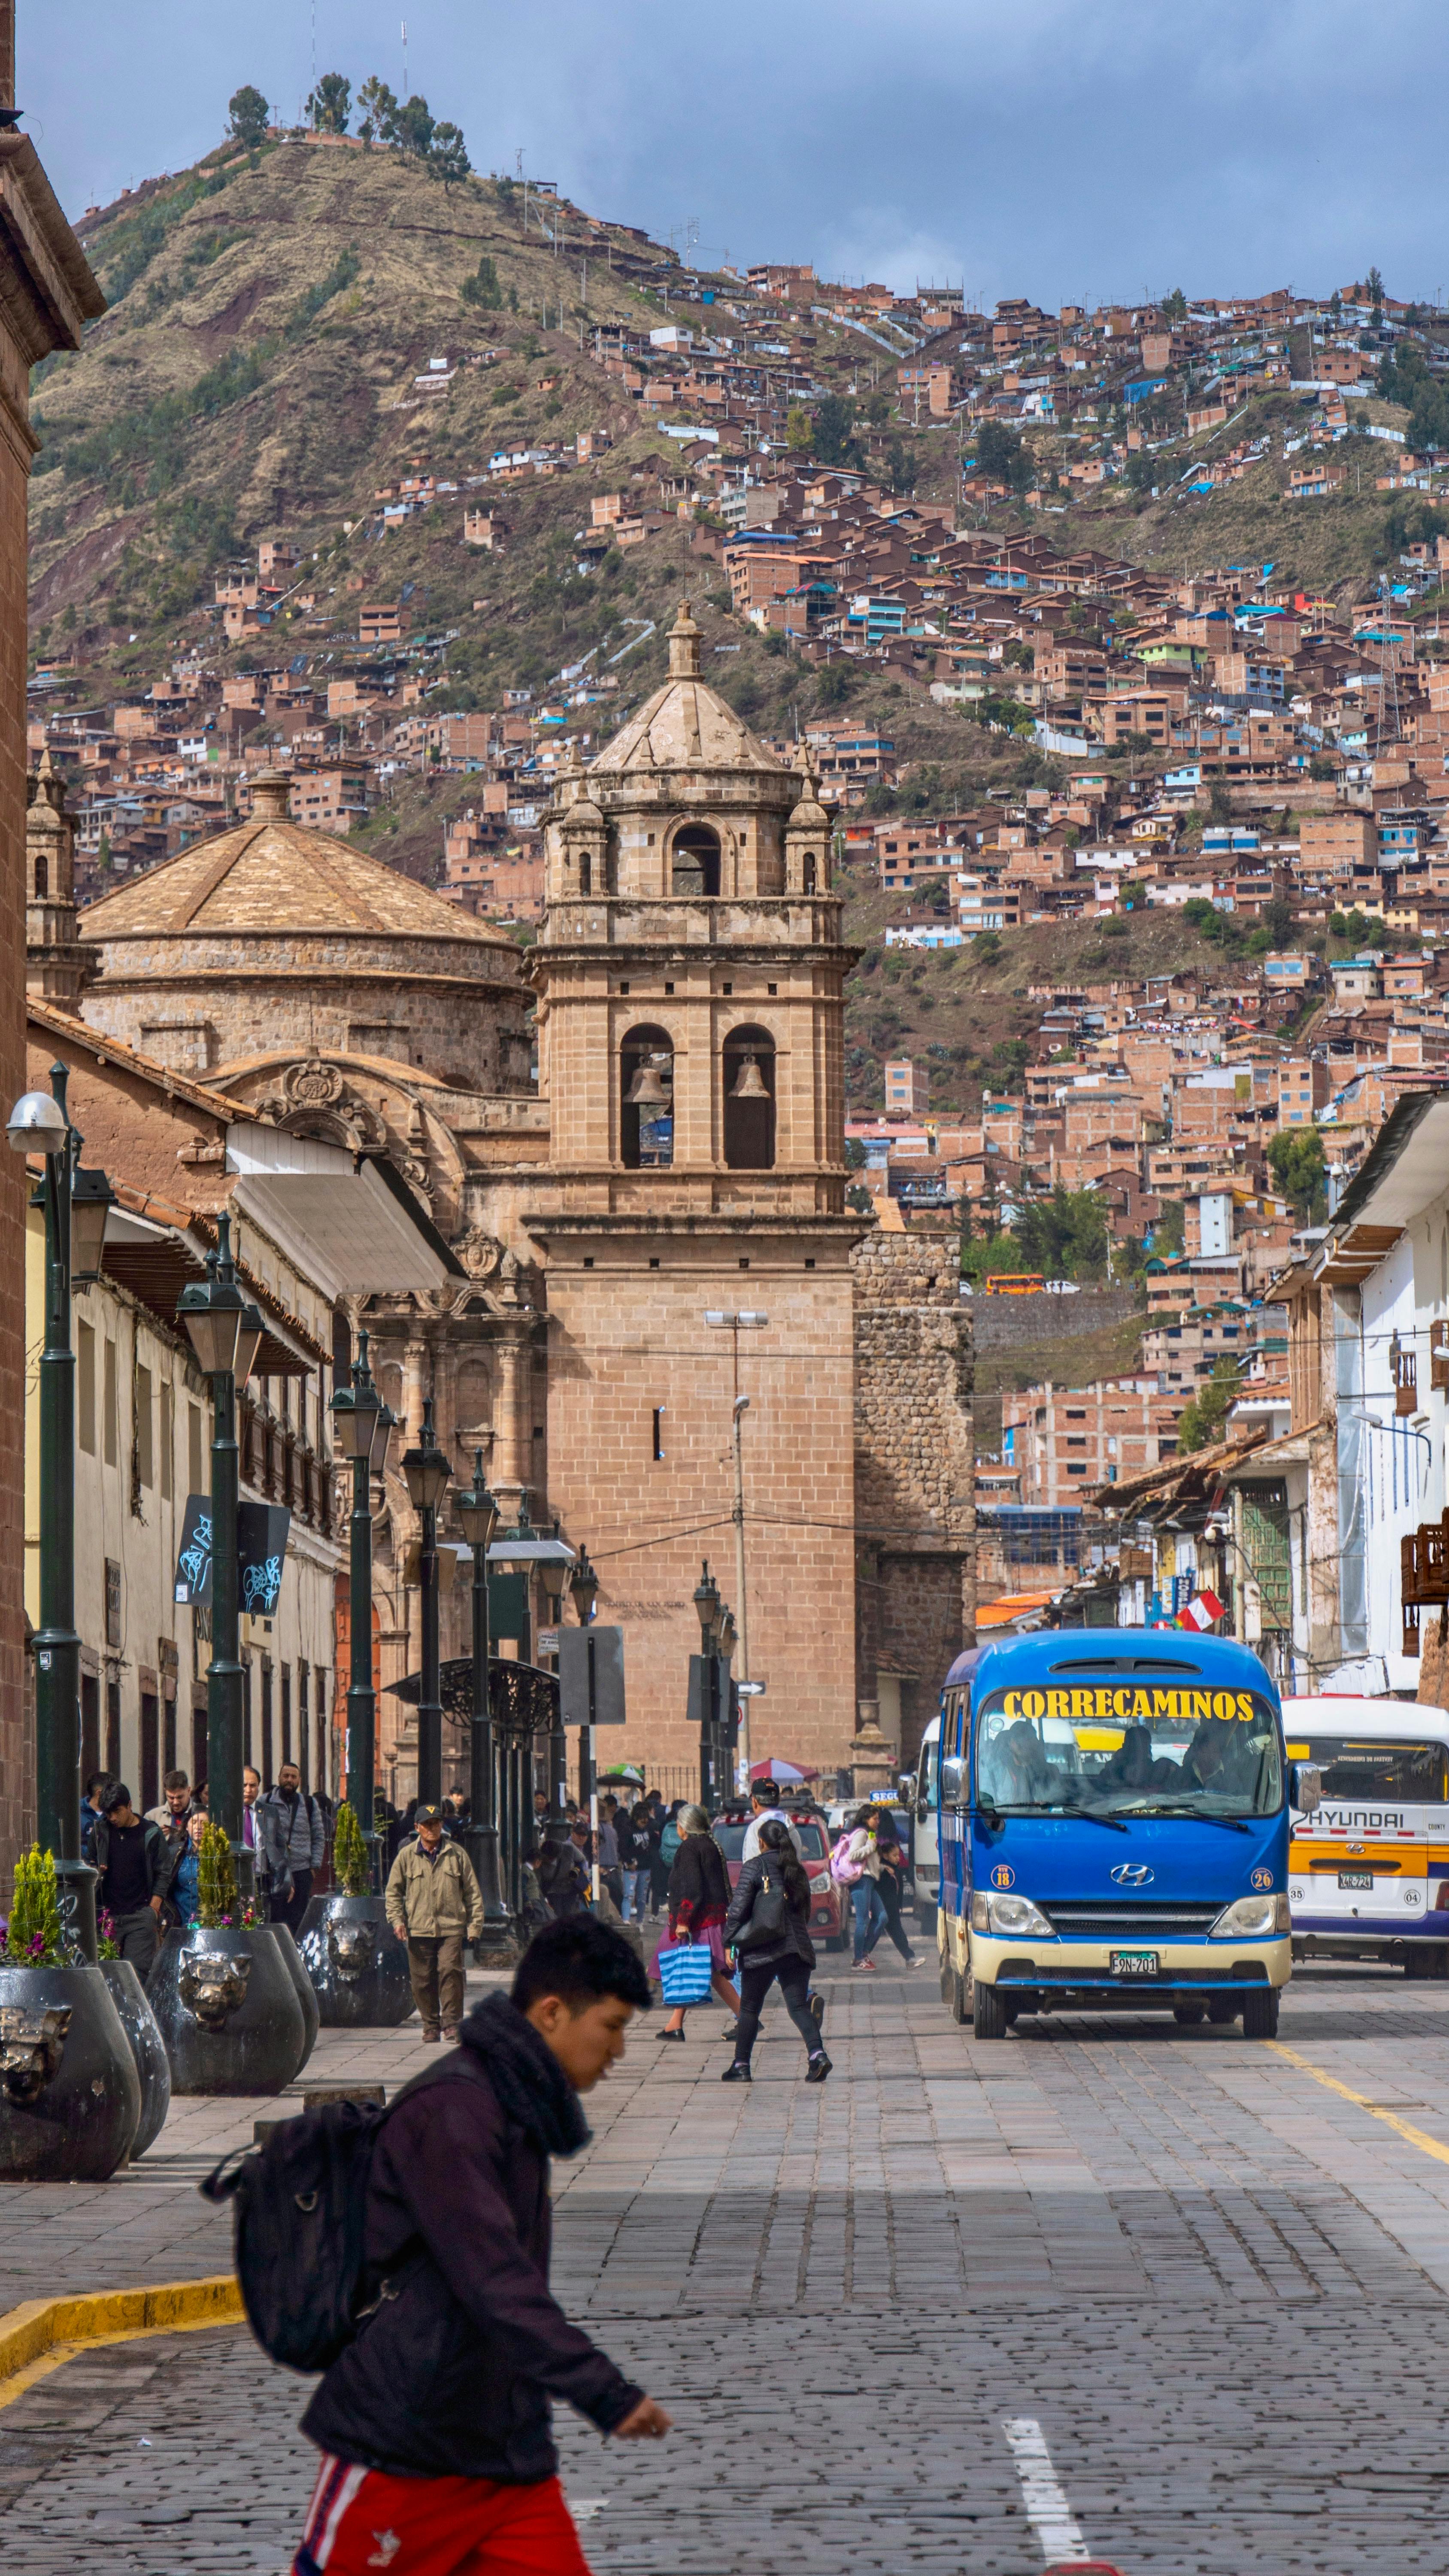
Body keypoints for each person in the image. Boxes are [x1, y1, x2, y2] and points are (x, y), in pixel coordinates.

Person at [292, 1917, 670, 2576]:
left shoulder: (516, 2107)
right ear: (552, 2013)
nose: (618, 2052)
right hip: (406, 2449)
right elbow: (494, 2280)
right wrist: (602, 2392)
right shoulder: (454, 2112)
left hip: (505, 2458)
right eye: (610, 2027)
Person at [721, 1819, 831, 2085]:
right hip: (796, 1949)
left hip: (763, 1950)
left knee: (749, 2009)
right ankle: (818, 2055)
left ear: (761, 1842)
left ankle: (741, 2065)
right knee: (797, 2007)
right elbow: (806, 1912)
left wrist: (729, 1942)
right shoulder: (797, 1870)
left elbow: (738, 1911)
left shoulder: (754, 1867)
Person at [384, 1802, 486, 2042]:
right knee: (422, 1980)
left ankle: (452, 2024)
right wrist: (397, 1920)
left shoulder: (457, 1854)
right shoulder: (406, 1856)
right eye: (428, 1825)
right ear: (418, 1827)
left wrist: (475, 1925)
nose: (433, 1829)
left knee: (451, 1973)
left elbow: (473, 1892)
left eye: (437, 1823)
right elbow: (393, 1892)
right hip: (418, 1928)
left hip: (451, 1926)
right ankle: (430, 2025)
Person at [657, 1805, 739, 2042]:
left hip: (697, 1921)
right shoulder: (710, 1845)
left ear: (684, 1827)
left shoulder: (690, 1848)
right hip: (709, 1918)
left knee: (694, 1968)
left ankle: (746, 2018)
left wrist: (683, 1920)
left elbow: (692, 1888)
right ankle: (675, 2024)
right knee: (699, 1970)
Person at [94, 1783, 175, 1980]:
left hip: (140, 1915)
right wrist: (96, 1871)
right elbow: (89, 1863)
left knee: (136, 1977)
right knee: (106, 1975)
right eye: (108, 1813)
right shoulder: (101, 1831)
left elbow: (164, 1872)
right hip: (108, 1916)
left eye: (117, 1811)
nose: (113, 1818)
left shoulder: (150, 1833)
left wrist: (153, 1909)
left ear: (130, 1805)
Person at [259, 1761, 326, 1936]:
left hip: (302, 1871)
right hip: (274, 1872)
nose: (289, 1780)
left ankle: (297, 1957)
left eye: (293, 1777)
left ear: (299, 1780)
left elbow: (319, 1836)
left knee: (299, 1920)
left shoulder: (310, 1804)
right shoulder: (265, 1802)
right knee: (276, 1919)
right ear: (279, 1778)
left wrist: (314, 1867)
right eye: (286, 1776)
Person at [840, 1806, 889, 1972]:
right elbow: (853, 1855)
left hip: (870, 1880)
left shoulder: (871, 1836)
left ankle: (864, 1952)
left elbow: (870, 1860)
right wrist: (869, 1846)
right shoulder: (862, 1834)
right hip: (861, 1881)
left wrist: (882, 1867)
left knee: (882, 1917)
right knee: (863, 1920)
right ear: (865, 1819)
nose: (878, 1822)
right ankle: (858, 1958)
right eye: (875, 1819)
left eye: (878, 1819)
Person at [872, 1813, 919, 1965]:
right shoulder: (894, 1830)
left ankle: (862, 1954)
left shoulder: (875, 1833)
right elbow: (906, 1837)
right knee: (888, 1924)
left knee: (883, 1924)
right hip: (890, 1878)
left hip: (884, 1876)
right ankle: (909, 1957)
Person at [741, 1779, 804, 1862]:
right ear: (778, 1800)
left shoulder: (755, 1828)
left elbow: (752, 1867)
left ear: (755, 1802)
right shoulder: (792, 1829)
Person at [169, 1811, 208, 1927]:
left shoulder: (217, 1854)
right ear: (186, 1826)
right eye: (194, 1823)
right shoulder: (176, 1853)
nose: (198, 1827)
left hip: (210, 1924)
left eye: (203, 1823)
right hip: (182, 1923)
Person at [80, 1771, 111, 1866]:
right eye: (110, 1793)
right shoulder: (77, 1813)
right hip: (85, 1869)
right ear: (99, 1794)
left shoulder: (114, 1813)